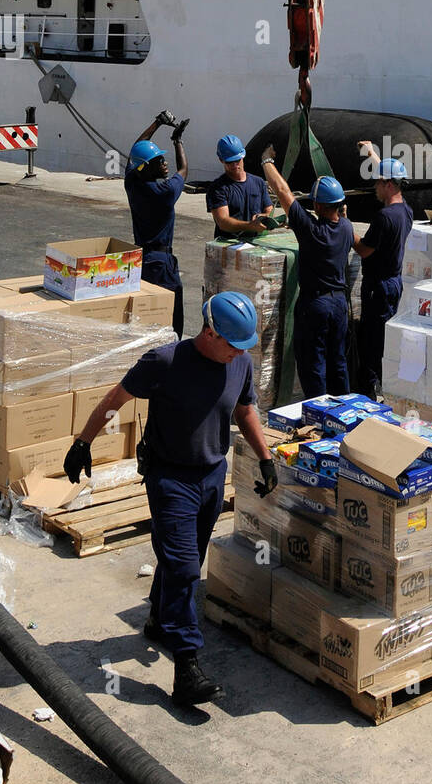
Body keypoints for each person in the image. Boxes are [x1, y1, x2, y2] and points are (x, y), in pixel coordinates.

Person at [63, 292, 278, 708]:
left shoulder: (240, 363)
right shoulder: (164, 362)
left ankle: (161, 621)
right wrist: (83, 442)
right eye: (234, 344)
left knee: (187, 559)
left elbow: (245, 409)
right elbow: (115, 399)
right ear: (210, 332)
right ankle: (187, 667)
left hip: (213, 475)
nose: (239, 353)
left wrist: (265, 458)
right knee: (183, 568)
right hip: (169, 478)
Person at [259, 147, 355, 397]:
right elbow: (340, 215)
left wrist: (267, 161)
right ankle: (343, 408)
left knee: (313, 364)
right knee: (338, 362)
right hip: (339, 305)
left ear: (317, 205)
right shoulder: (345, 227)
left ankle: (317, 414)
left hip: (317, 304)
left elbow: (283, 192)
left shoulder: (311, 231)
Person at [352, 143, 414, 400]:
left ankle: (371, 393)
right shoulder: (406, 211)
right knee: (385, 338)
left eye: (378, 182)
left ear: (389, 184)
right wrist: (371, 152)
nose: (375, 187)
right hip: (394, 283)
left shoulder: (384, 217)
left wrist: (346, 229)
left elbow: (364, 250)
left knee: (372, 342)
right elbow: (388, 172)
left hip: (377, 287)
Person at [125, 111, 189, 337]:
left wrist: (157, 123)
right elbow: (183, 170)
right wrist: (177, 141)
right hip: (161, 264)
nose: (164, 163)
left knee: (146, 315)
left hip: (141, 259)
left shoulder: (132, 182)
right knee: (171, 316)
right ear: (146, 167)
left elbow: (136, 149)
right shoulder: (165, 192)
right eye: (158, 161)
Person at [206, 134, 274, 235]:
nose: (234, 165)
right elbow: (223, 222)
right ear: (221, 160)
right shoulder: (217, 188)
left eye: (237, 160)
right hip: (228, 245)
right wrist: (250, 225)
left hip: (256, 243)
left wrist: (264, 218)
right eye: (230, 162)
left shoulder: (258, 182)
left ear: (243, 156)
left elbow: (269, 210)